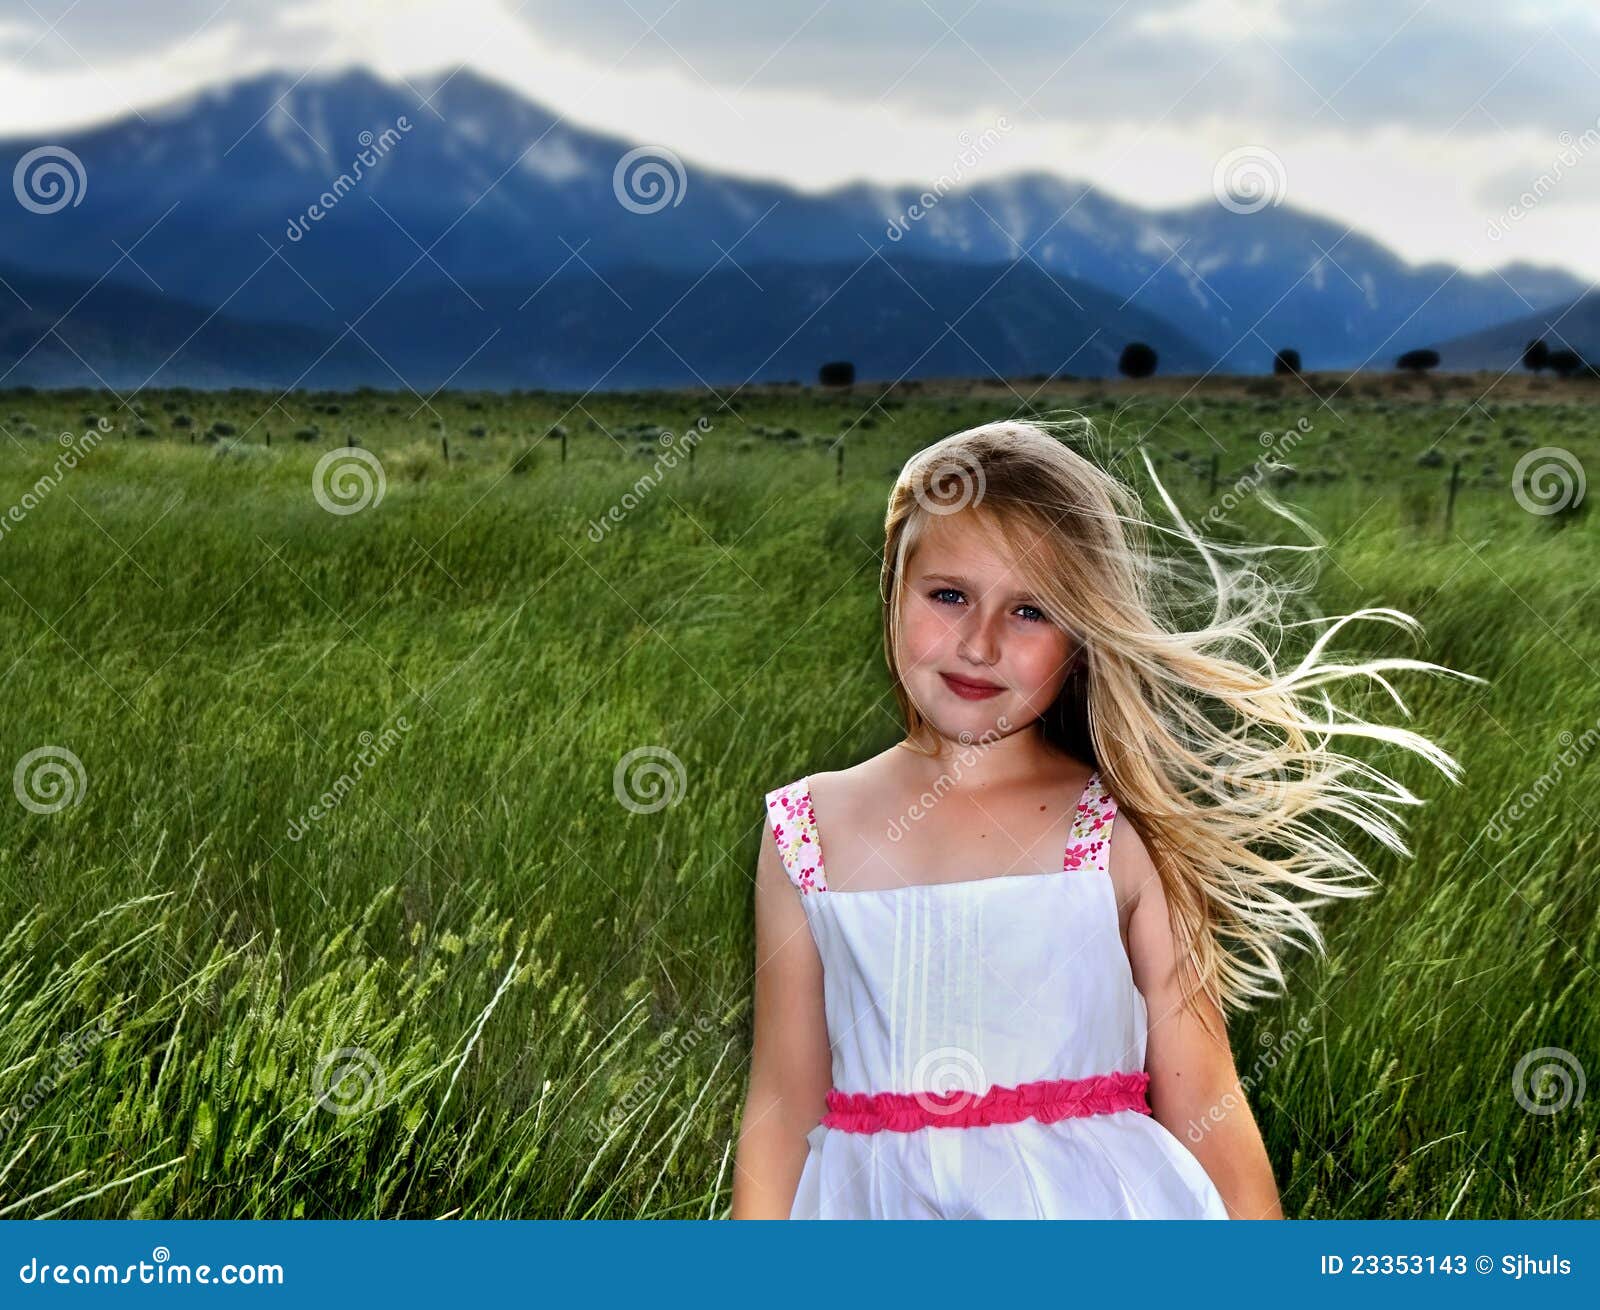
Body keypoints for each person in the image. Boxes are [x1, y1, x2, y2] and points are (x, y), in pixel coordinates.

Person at [731, 417, 1477, 1220]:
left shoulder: (1117, 830)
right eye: (949, 596)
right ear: (893, 590)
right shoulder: (807, 831)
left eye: (1030, 612)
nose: (979, 644)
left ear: (1082, 639)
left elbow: (1206, 1101)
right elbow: (782, 1107)